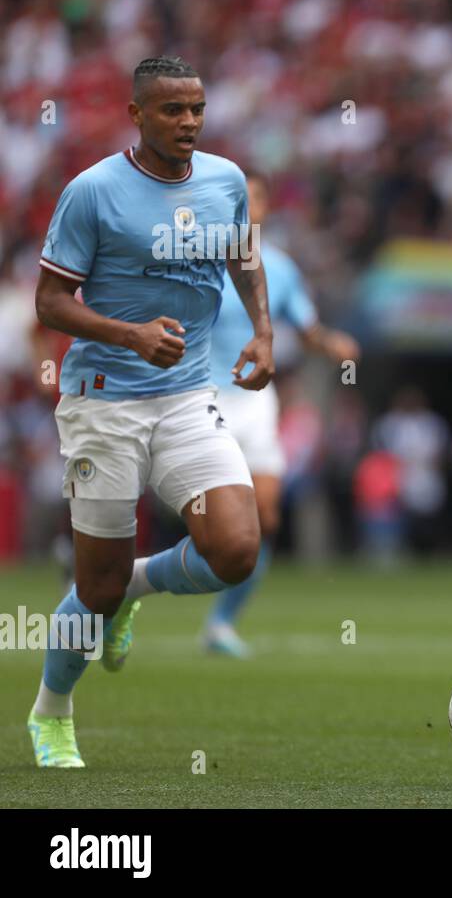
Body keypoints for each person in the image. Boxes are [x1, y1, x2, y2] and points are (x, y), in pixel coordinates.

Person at [29, 56, 273, 767]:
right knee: (93, 589)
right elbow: (50, 301)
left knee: (235, 550)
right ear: (136, 114)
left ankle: (139, 583)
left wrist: (263, 329)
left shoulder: (227, 180)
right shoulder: (93, 192)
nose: (189, 122)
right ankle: (52, 712)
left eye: (196, 108)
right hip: (103, 405)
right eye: (172, 110)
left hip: (190, 396)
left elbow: (244, 255)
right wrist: (128, 332)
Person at [200, 171, 360, 657]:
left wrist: (332, 343)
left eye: (256, 199)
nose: (248, 208)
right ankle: (133, 584)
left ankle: (221, 624)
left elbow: (305, 326)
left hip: (256, 401)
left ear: (268, 208)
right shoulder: (198, 263)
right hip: (204, 400)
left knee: (264, 519)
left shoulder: (282, 268)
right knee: (216, 526)